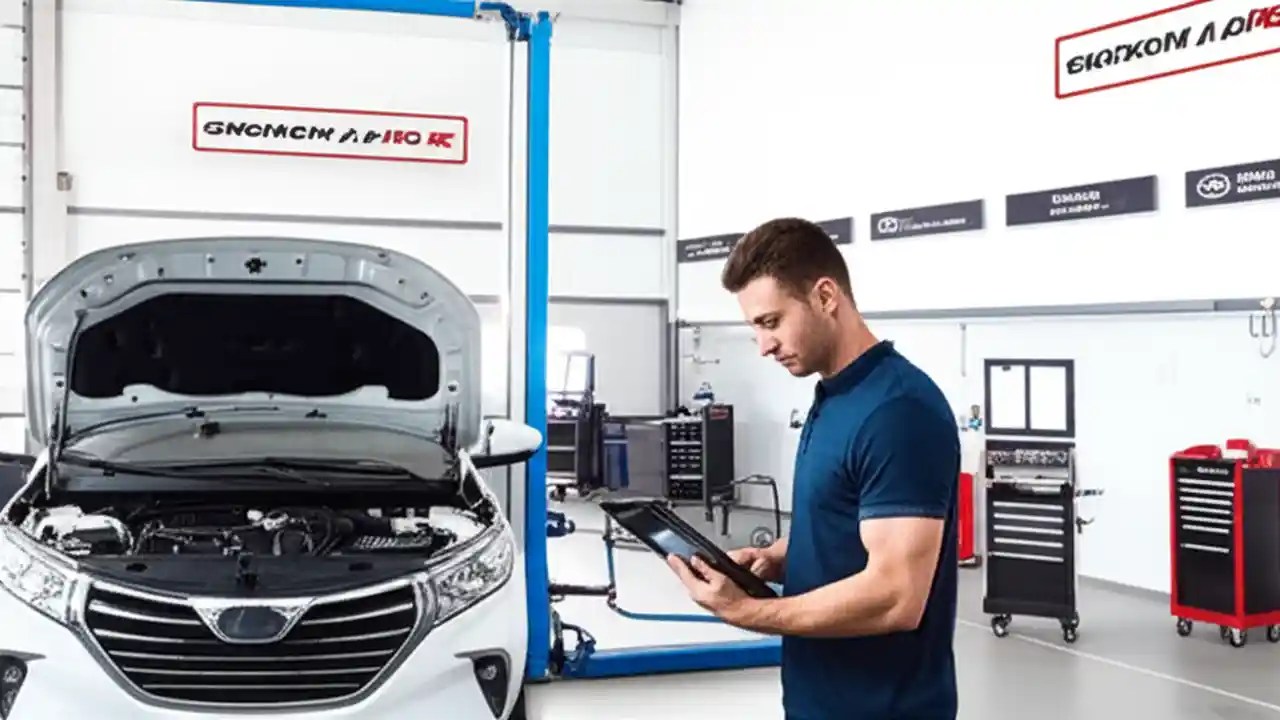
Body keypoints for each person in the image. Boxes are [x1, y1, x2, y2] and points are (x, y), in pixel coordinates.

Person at [666, 217, 961, 720]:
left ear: (826, 297)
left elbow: (896, 596)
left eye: (771, 322)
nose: (763, 346)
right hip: (818, 700)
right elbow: (845, 524)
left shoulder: (898, 412)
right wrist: (780, 558)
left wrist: (751, 612)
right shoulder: (833, 396)